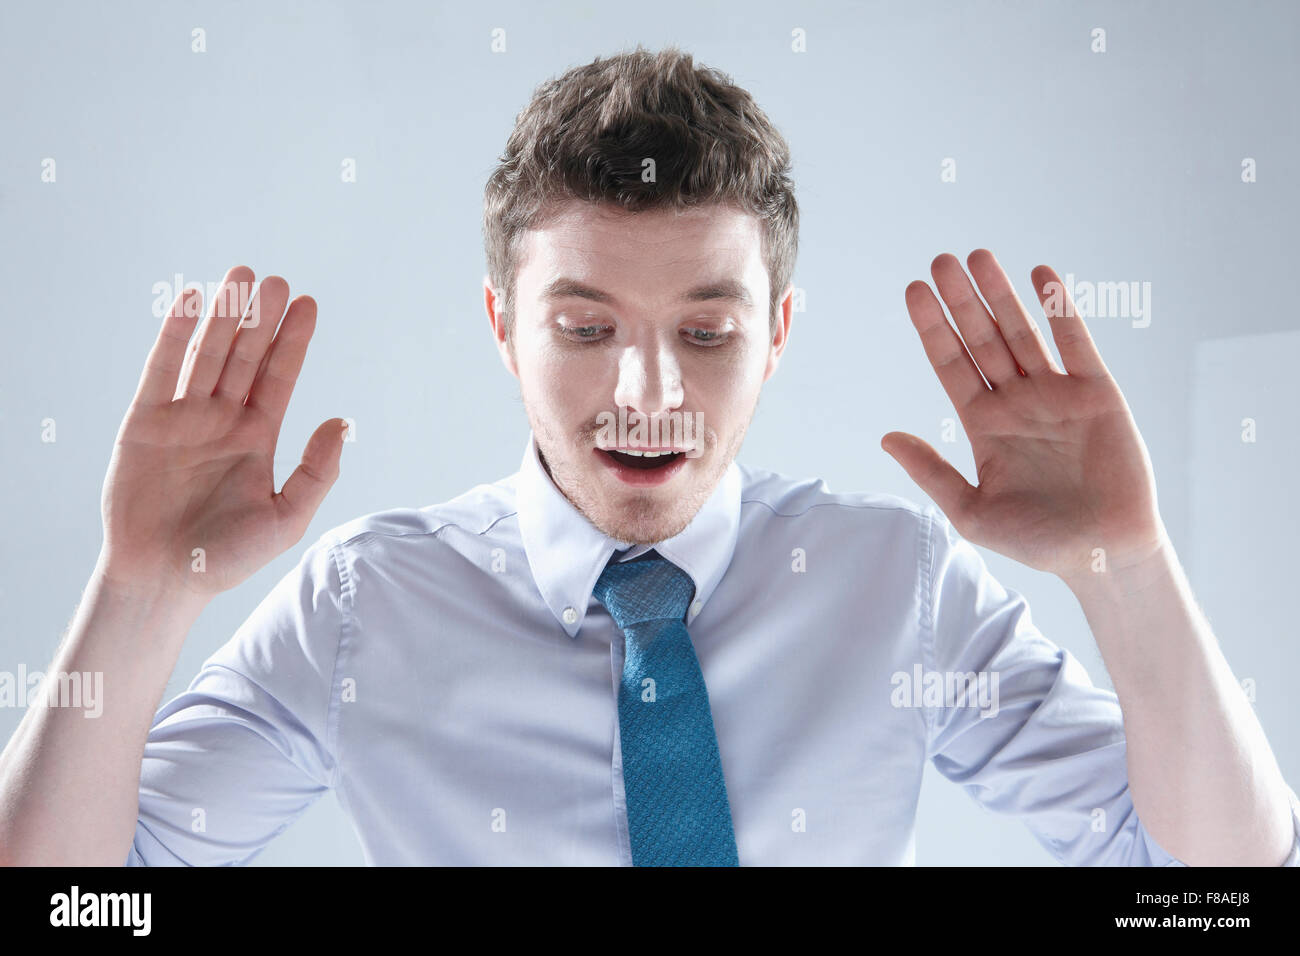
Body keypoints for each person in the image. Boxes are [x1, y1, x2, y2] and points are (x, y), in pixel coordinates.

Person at [1, 45, 1297, 867]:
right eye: (585, 327)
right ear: (502, 325)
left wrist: (1121, 565)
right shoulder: (366, 606)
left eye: (707, 328)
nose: (649, 392)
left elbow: (1221, 880)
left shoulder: (890, 584)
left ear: (779, 332)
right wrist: (144, 589)